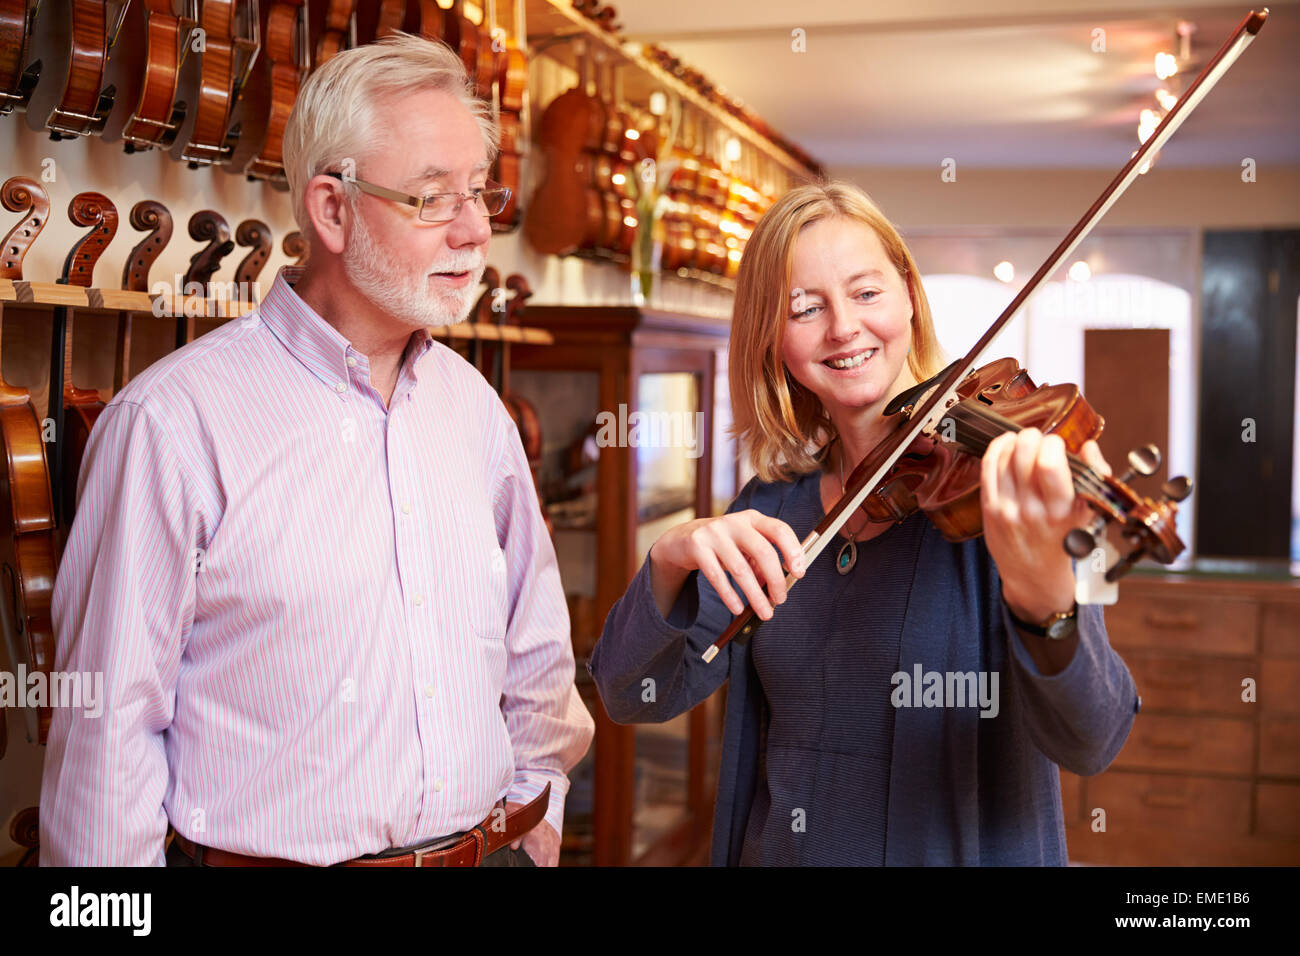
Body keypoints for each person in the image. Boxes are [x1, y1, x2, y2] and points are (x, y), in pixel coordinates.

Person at [41, 34, 593, 867]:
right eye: (434, 199)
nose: (477, 231)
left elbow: (538, 648)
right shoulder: (171, 424)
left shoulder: (476, 410)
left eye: (481, 193)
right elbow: (106, 737)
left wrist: (534, 819)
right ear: (331, 209)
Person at [590, 182, 1139, 865]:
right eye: (805, 308)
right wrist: (670, 559)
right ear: (773, 337)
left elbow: (1094, 738)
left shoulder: (998, 506)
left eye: (866, 292)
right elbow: (630, 693)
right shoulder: (770, 509)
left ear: (910, 294)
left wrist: (1045, 604)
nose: (843, 327)